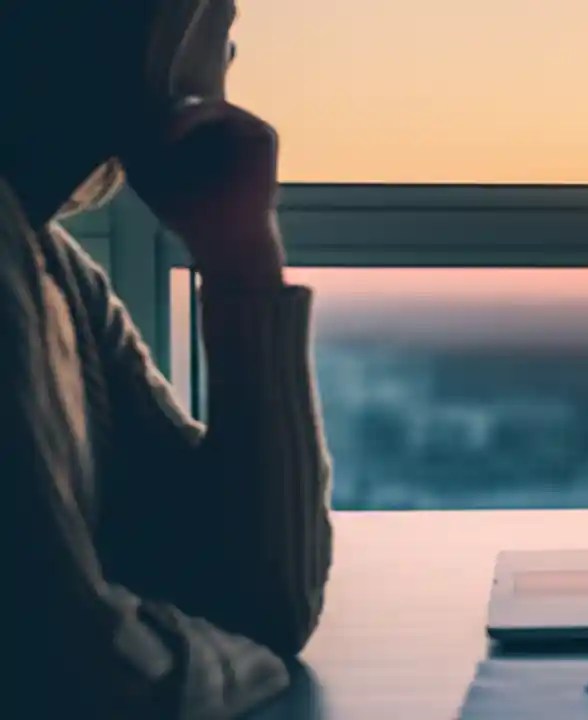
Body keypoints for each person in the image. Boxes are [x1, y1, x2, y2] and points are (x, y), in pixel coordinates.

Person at [1, 1, 332, 716]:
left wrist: (240, 259)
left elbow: (261, 597)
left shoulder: (55, 270)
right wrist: (249, 660)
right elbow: (86, 672)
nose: (230, 49)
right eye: (222, 15)